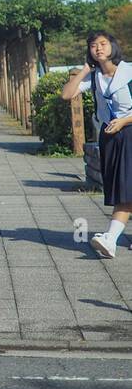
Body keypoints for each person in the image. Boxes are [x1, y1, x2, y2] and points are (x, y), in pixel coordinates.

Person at [61, 32, 132, 259]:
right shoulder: (95, 78)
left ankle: (110, 239)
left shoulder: (129, 72)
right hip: (110, 136)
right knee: (121, 188)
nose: (98, 49)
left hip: (129, 131)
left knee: (126, 189)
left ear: (113, 46)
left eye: (103, 44)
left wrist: (123, 121)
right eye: (93, 46)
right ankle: (111, 238)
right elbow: (67, 94)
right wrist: (84, 70)